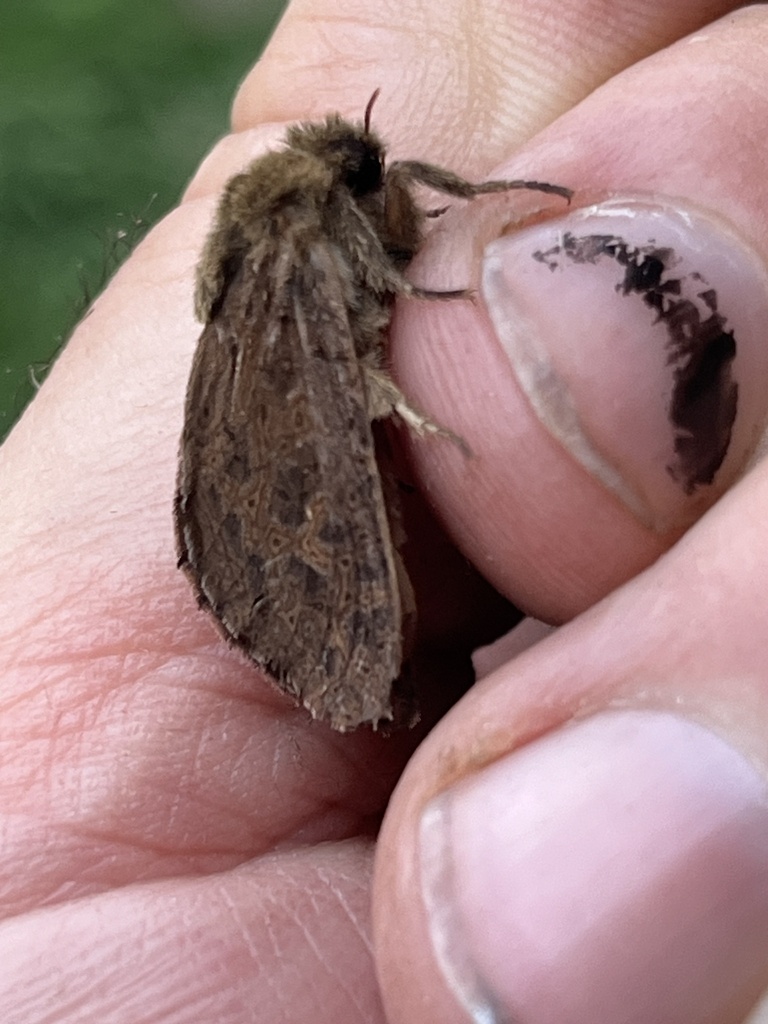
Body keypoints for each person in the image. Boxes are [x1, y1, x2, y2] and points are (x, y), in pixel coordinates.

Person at [2, 1, 768, 1021]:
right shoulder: (302, 247)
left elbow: (404, 197)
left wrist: (482, 207)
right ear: (327, 210)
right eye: (370, 188)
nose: (394, 192)